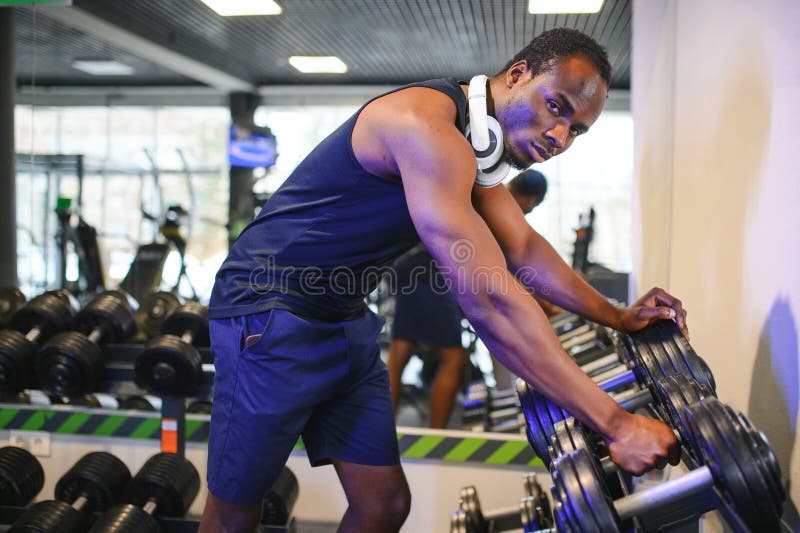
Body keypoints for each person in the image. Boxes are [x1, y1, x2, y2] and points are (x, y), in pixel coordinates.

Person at [200, 27, 687, 533]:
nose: (560, 136)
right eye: (556, 107)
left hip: (341, 317)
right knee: (236, 512)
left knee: (383, 504)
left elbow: (522, 248)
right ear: (518, 74)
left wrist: (619, 316)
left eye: (577, 130)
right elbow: (490, 300)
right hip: (266, 309)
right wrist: (615, 424)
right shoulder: (425, 127)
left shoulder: (474, 146)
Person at [386, 242, 468, 429]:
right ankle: (436, 437)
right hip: (427, 269)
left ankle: (380, 436)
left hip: (406, 264)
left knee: (401, 349)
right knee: (454, 358)